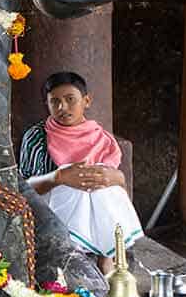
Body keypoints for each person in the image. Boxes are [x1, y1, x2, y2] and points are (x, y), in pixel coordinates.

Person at [18, 72, 143, 274]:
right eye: (55, 101)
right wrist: (58, 177)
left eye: (70, 99)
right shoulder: (37, 137)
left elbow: (119, 194)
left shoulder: (101, 138)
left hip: (98, 213)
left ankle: (106, 257)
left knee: (102, 186)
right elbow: (23, 189)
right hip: (53, 214)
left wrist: (117, 178)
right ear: (47, 104)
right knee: (76, 184)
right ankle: (76, 253)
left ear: (86, 101)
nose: (62, 107)